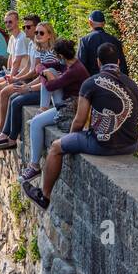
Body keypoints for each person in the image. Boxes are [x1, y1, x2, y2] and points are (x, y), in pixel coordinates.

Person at [23, 41, 138, 208]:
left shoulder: (91, 83)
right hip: (130, 144)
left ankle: (44, 195)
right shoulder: (132, 84)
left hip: (103, 144)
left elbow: (79, 120)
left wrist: (71, 138)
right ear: (118, 62)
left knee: (56, 147)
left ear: (98, 62)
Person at [19, 40, 89, 181]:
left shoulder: (74, 71)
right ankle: (43, 109)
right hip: (65, 102)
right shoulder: (70, 64)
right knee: (49, 71)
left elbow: (50, 87)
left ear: (60, 55)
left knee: (36, 124)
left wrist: (45, 75)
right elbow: (40, 67)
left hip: (70, 109)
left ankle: (34, 167)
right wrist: (44, 72)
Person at [0, 21, 56, 150]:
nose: (37, 35)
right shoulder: (41, 50)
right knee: (13, 97)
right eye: (36, 32)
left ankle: (10, 139)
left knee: (16, 100)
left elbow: (47, 80)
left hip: (50, 94)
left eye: (41, 33)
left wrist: (27, 87)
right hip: (42, 88)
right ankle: (3, 133)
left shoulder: (50, 54)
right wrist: (24, 85)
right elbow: (38, 75)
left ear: (50, 35)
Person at [0, 16, 40, 135]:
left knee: (0, 89)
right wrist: (10, 73)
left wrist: (15, 77)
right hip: (16, 73)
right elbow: (12, 59)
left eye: (28, 27)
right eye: (6, 22)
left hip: (27, 79)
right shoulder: (25, 42)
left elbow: (29, 68)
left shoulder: (24, 40)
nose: (26, 29)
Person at [77, 10, 128, 76]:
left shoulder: (84, 41)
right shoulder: (114, 40)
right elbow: (123, 66)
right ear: (104, 23)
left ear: (90, 23)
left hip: (93, 81)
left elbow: (81, 66)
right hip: (113, 81)